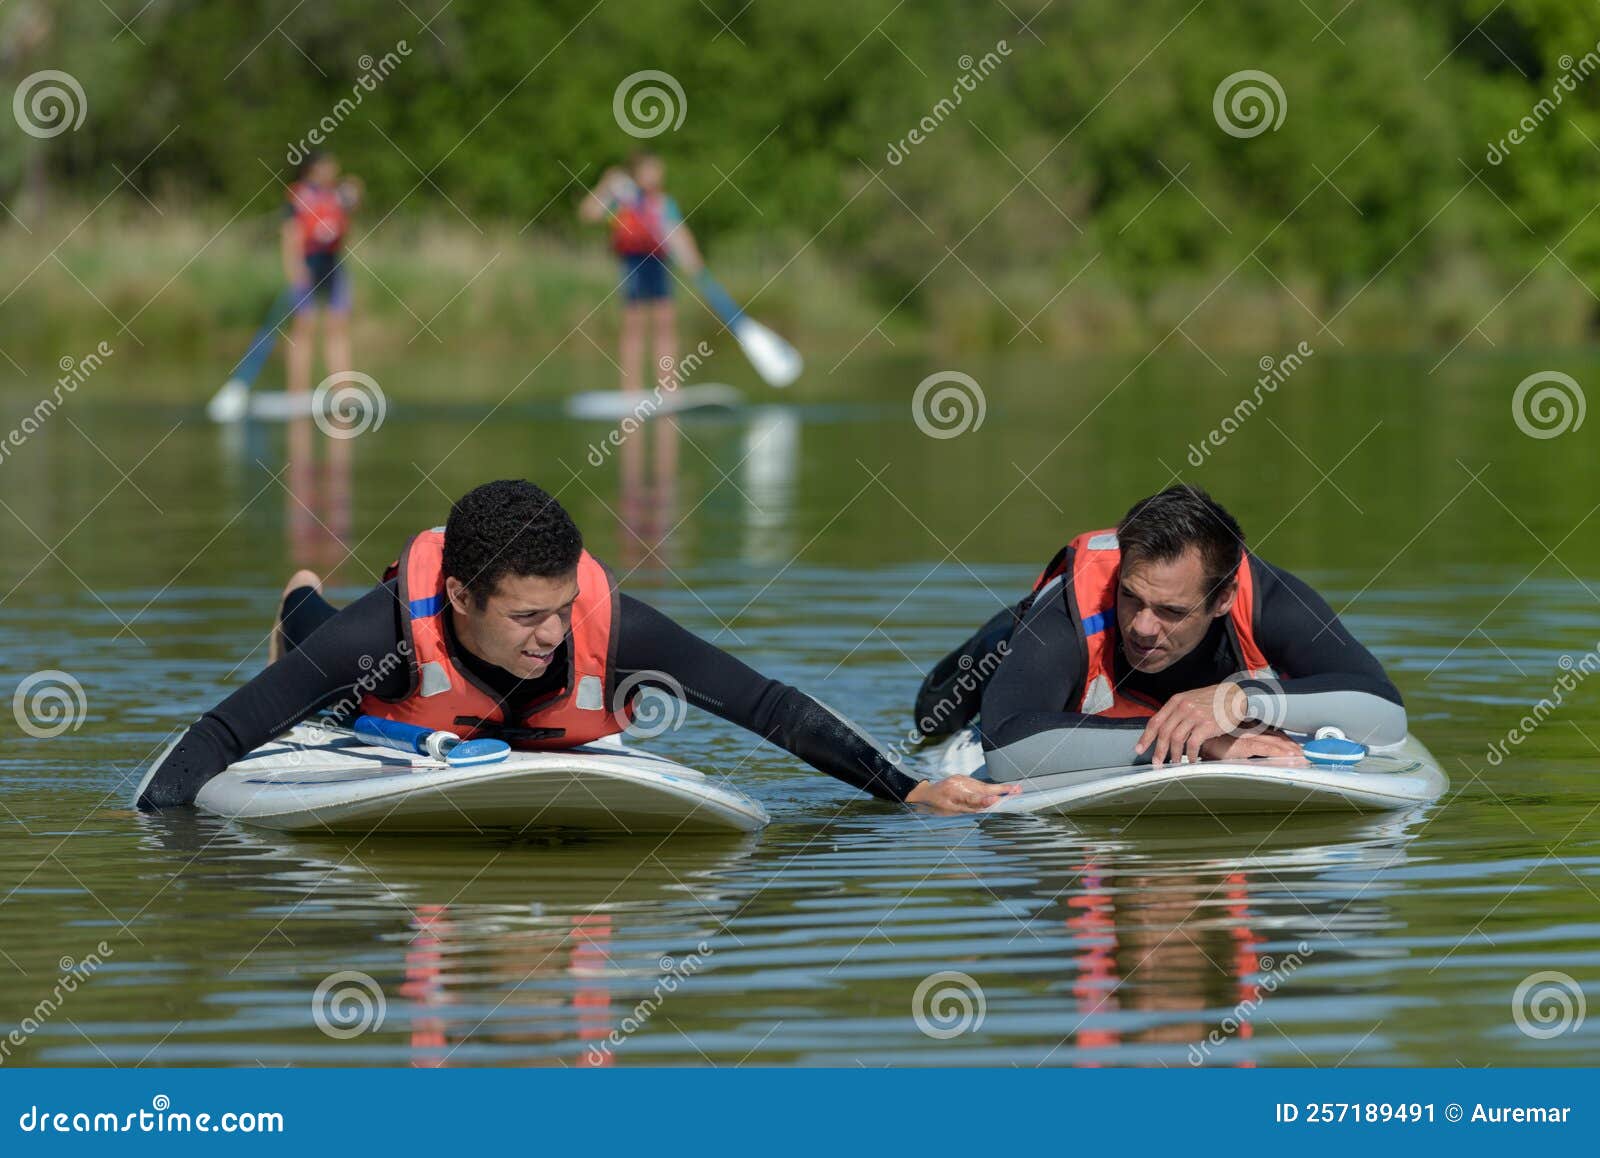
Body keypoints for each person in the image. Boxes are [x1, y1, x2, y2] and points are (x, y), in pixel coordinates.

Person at [138, 480, 1013, 814]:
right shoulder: (388, 635)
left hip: (505, 732)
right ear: (461, 599)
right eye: (526, 618)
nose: (554, 636)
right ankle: (295, 594)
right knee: (316, 647)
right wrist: (149, 823)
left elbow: (768, 707)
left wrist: (907, 788)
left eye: (561, 608)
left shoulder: (613, 629)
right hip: (386, 697)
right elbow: (221, 734)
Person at [913, 486, 1407, 778]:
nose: (1143, 628)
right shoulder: (1074, 611)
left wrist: (1243, 701)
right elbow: (1005, 745)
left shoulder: (1269, 599)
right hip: (1018, 644)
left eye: (1171, 610)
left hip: (1204, 691)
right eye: (1132, 597)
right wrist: (1202, 744)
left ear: (1223, 599)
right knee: (931, 718)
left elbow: (1384, 712)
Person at [579, 152, 703, 395]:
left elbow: (679, 232)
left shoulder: (664, 202)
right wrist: (605, 184)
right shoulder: (621, 199)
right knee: (633, 323)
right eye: (650, 171)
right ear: (637, 174)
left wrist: (695, 262)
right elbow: (588, 213)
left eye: (658, 171)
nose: (656, 176)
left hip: (659, 263)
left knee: (665, 322)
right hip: (633, 263)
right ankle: (631, 389)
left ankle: (668, 386)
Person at [282, 151, 362, 397]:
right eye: (327, 166)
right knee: (305, 324)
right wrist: (294, 268)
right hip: (307, 261)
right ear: (313, 169)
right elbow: (290, 233)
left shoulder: (338, 194)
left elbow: (353, 204)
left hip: (332, 263)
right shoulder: (299, 195)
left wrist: (356, 189)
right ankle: (298, 390)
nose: (332, 171)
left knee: (337, 324)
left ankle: (343, 390)